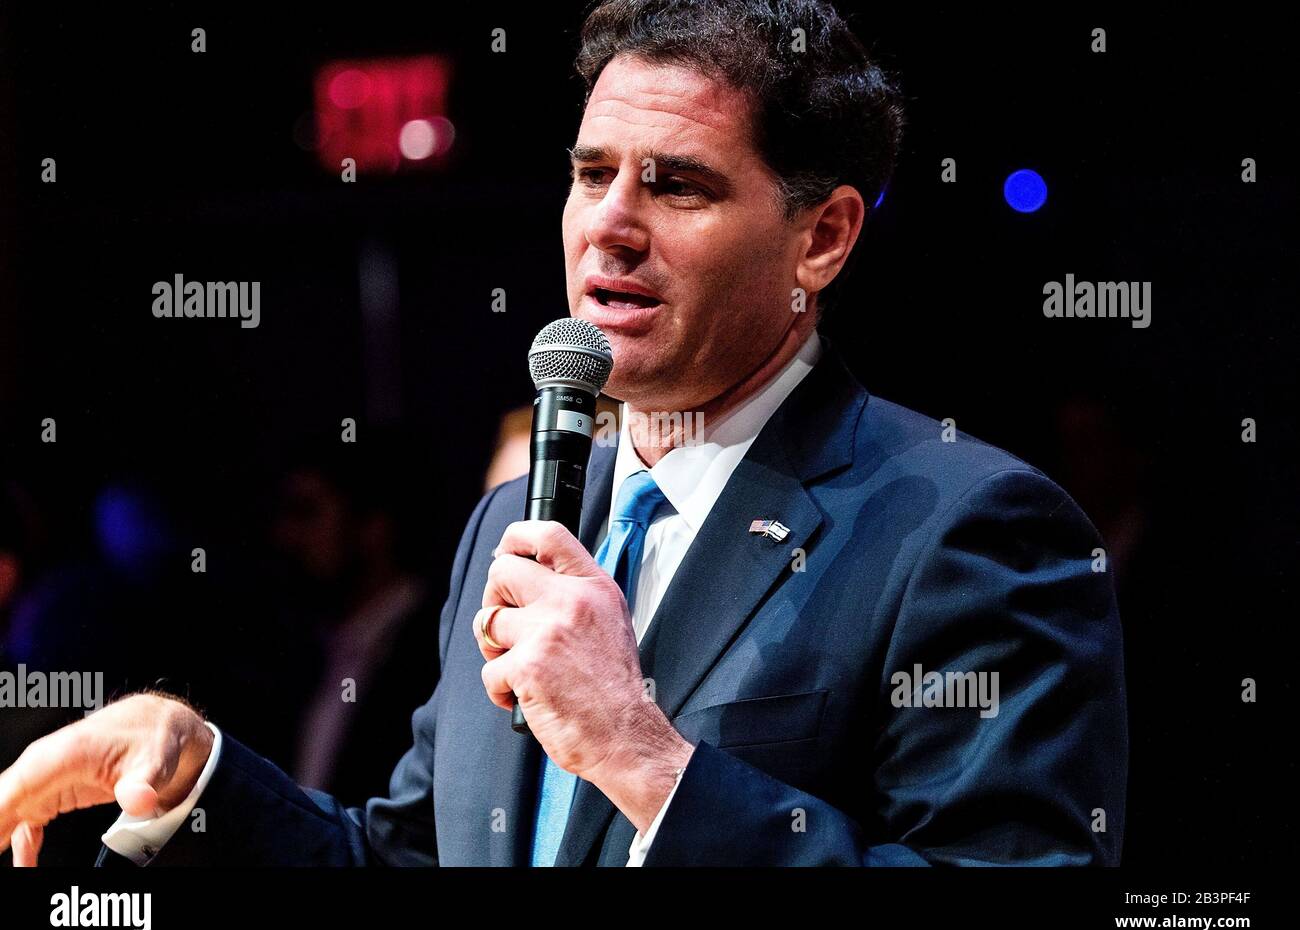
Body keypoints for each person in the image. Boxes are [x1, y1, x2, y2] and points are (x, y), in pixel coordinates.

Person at [0, 0, 1126, 867]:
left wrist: (645, 759)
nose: (610, 226)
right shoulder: (522, 514)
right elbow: (418, 853)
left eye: (676, 186)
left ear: (821, 237)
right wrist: (200, 771)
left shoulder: (969, 529)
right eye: (592, 174)